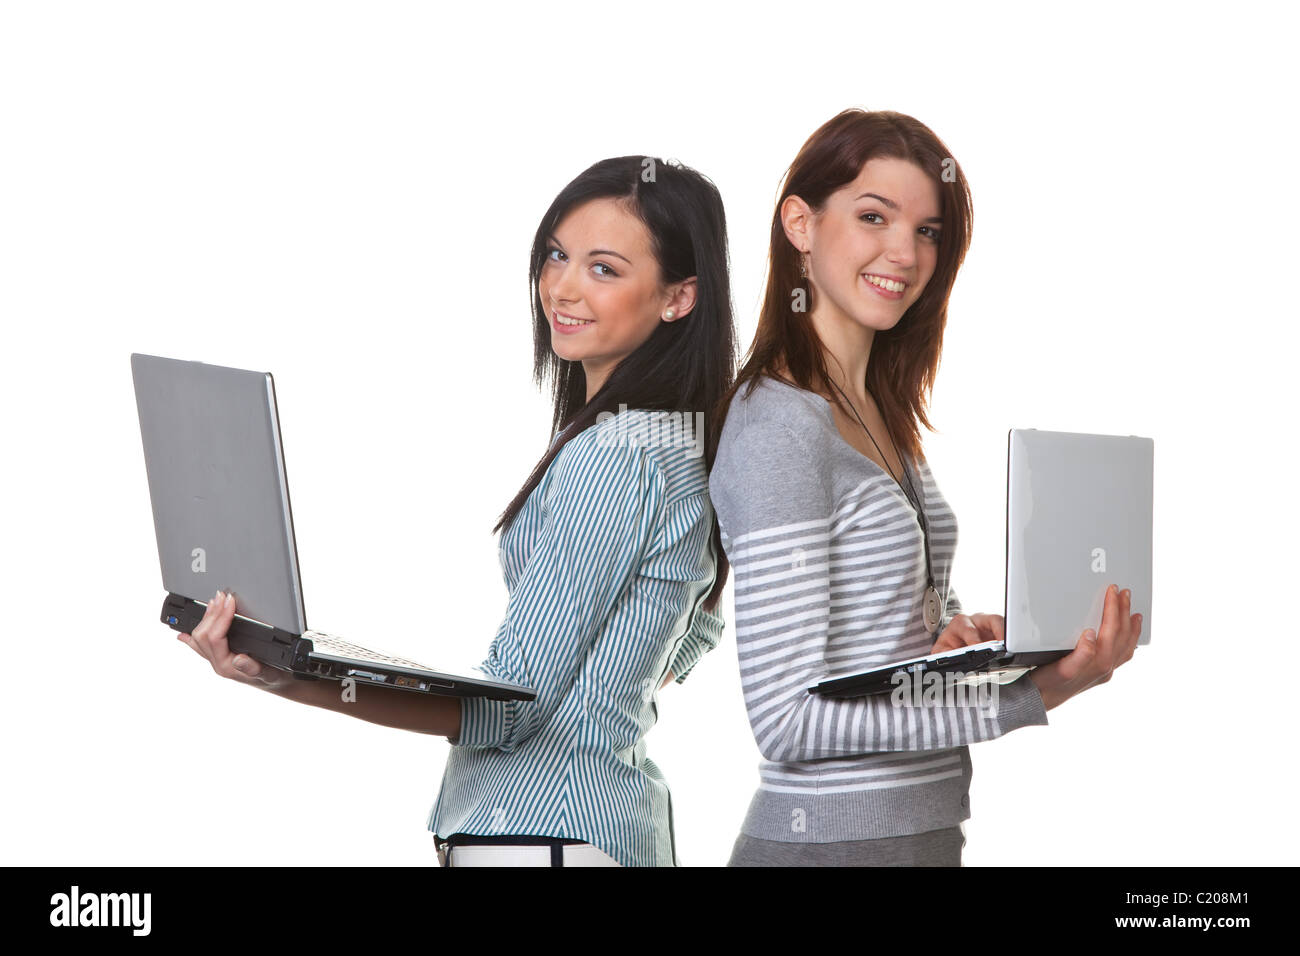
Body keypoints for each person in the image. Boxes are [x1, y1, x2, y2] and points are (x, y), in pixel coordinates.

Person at [178, 155, 737, 867]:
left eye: (604, 269)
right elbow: (692, 630)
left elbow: (512, 706)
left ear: (678, 297)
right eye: (557, 256)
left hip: (543, 838)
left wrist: (294, 674)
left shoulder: (616, 454)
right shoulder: (680, 441)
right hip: (586, 835)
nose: (562, 289)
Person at [708, 110, 1143, 867]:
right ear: (800, 225)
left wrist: (947, 640)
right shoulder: (778, 428)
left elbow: (861, 641)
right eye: (873, 216)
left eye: (929, 231)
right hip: (828, 848)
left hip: (918, 837)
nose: (904, 253)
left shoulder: (882, 409)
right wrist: (1027, 696)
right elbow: (786, 721)